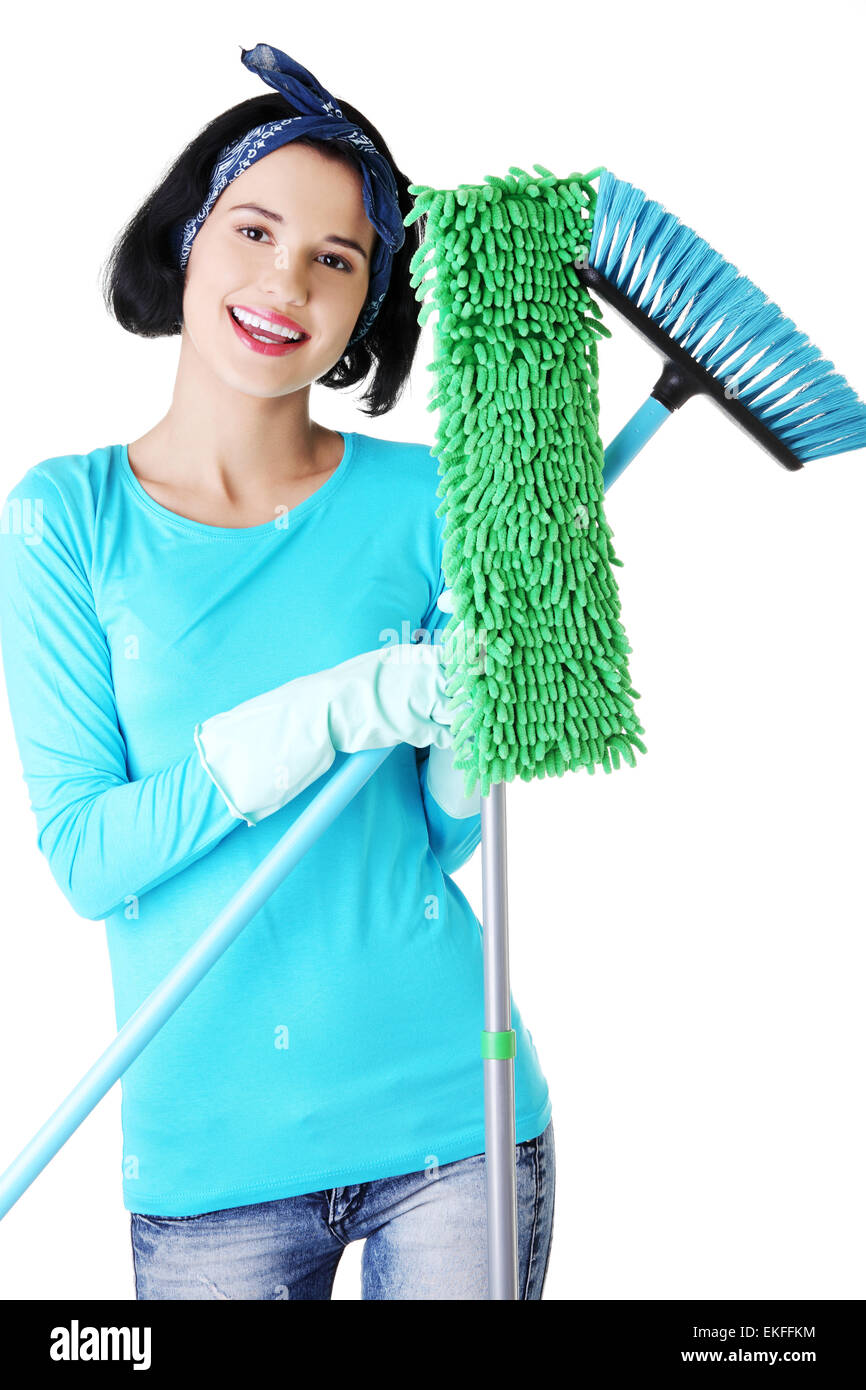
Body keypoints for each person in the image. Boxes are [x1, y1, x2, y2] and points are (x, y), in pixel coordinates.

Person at [0, 44, 554, 1300]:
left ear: (368, 305)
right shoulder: (64, 520)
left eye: (335, 259)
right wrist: (334, 706)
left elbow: (430, 843)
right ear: (186, 236)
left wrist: (468, 737)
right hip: (211, 1164)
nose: (283, 282)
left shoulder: (430, 501)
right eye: (254, 230)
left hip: (454, 1114)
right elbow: (91, 857)